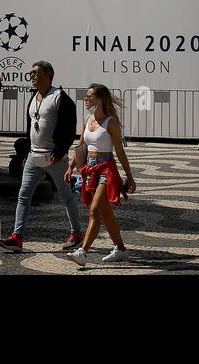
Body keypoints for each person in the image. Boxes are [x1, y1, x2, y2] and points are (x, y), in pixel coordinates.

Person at [0, 61, 81, 253]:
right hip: (34, 157)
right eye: (31, 73)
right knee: (23, 196)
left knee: (66, 196)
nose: (32, 76)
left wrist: (60, 152)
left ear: (48, 74)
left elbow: (69, 128)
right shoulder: (33, 97)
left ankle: (76, 233)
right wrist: (27, 151)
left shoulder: (60, 97)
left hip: (54, 158)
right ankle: (17, 237)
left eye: (36, 73)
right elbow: (31, 127)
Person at [65, 84, 136, 267]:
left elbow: (120, 151)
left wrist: (129, 175)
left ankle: (82, 252)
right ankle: (120, 249)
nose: (85, 99)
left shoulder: (111, 123)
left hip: (106, 170)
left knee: (95, 210)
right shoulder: (88, 120)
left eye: (89, 96)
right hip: (91, 170)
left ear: (100, 99)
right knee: (106, 213)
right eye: (86, 96)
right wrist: (71, 167)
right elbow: (81, 147)